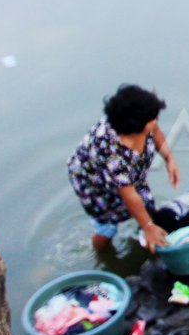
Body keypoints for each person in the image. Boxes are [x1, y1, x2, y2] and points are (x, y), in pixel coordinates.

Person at [68, 84, 181, 252]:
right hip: (93, 179)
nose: (156, 121)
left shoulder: (143, 122)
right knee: (107, 227)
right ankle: (100, 252)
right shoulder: (113, 153)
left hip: (126, 174)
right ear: (139, 126)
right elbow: (129, 195)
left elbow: (155, 131)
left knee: (146, 207)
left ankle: (145, 235)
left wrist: (169, 159)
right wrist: (149, 227)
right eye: (153, 119)